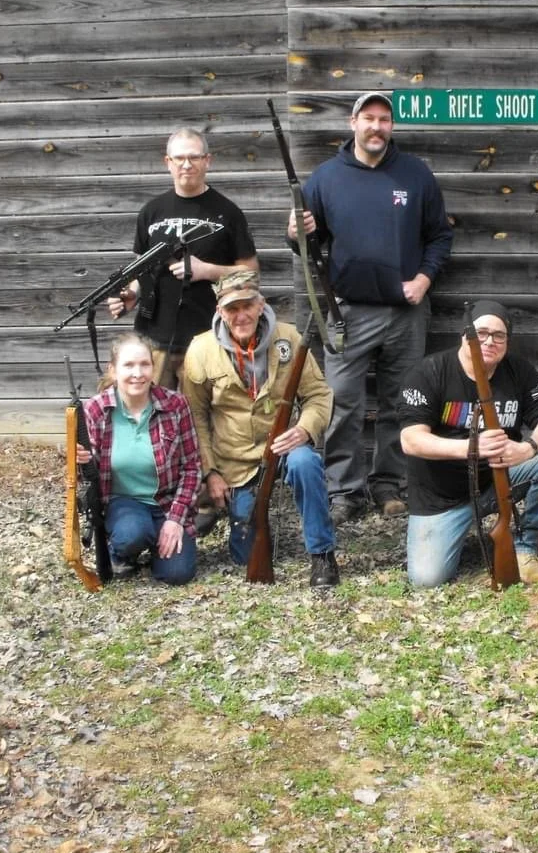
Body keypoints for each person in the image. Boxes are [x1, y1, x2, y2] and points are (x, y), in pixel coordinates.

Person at [290, 91, 453, 523]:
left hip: (406, 311)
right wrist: (296, 232)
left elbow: (440, 237)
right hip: (347, 313)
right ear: (353, 123)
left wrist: (423, 279)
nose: (377, 126)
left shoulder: (415, 175)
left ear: (391, 126)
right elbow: (307, 248)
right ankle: (344, 490)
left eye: (384, 119)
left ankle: (390, 486)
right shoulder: (325, 179)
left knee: (402, 403)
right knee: (342, 402)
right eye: (369, 118)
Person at [180, 270, 340, 588]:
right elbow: (194, 417)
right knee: (244, 555)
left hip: (283, 447)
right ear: (219, 311)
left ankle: (322, 555)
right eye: (232, 308)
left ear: (260, 304)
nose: (241, 315)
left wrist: (305, 430)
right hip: (234, 460)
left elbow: (319, 395)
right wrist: (210, 472)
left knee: (306, 463)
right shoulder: (199, 351)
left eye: (247, 305)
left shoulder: (290, 338)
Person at [398, 301, 538, 588]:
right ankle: (462, 530)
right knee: (427, 579)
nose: (489, 341)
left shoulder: (519, 370)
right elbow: (411, 440)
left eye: (499, 335)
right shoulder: (429, 372)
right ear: (464, 337)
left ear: (507, 341)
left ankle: (524, 547)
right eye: (481, 333)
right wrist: (471, 448)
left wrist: (526, 448)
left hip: (497, 482)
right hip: (442, 498)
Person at [109, 127, 258, 388]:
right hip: (154, 340)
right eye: (179, 158)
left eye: (194, 157)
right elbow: (140, 269)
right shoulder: (151, 212)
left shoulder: (227, 212)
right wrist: (132, 295)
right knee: (154, 419)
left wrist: (206, 270)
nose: (186, 165)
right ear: (168, 163)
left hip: (207, 338)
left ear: (207, 160)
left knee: (199, 421)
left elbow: (251, 273)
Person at [76, 332, 202, 585]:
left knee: (177, 574)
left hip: (166, 503)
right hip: (123, 502)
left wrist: (175, 520)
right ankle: (123, 551)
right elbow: (85, 478)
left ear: (153, 369)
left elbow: (192, 468)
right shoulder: (94, 410)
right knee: (132, 533)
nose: (138, 373)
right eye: (129, 365)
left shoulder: (176, 405)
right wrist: (79, 461)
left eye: (144, 364)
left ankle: (158, 546)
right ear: (113, 370)